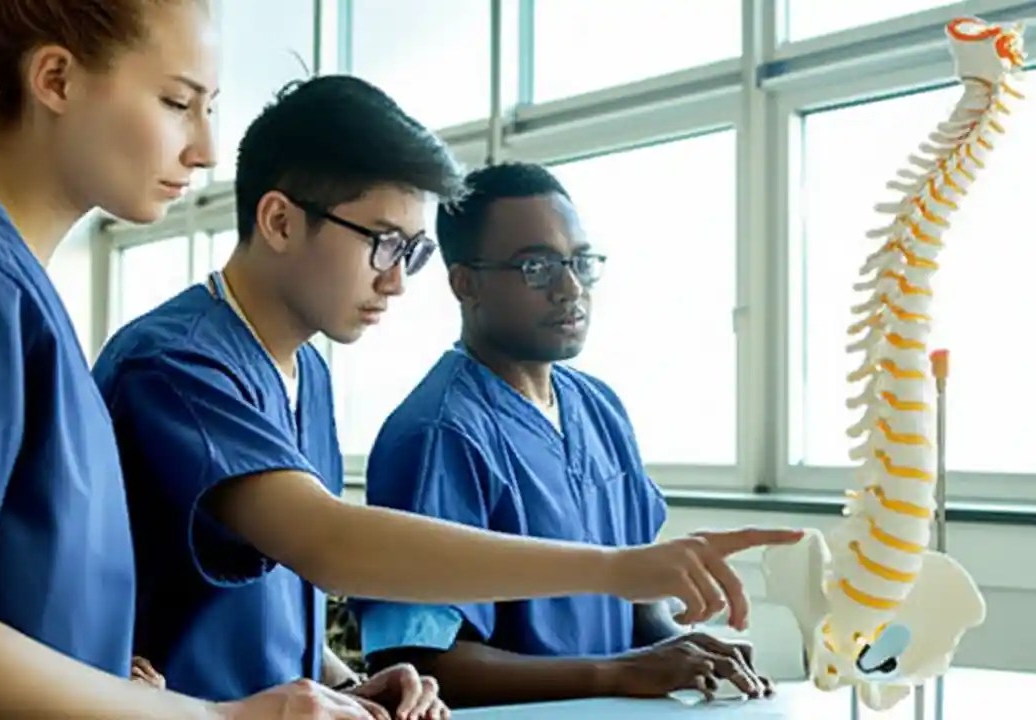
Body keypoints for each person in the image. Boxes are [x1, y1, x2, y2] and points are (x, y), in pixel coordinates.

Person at [90, 72, 802, 714]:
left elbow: (262, 607)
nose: (398, 280)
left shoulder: (308, 370)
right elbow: (326, 543)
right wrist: (617, 572)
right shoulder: (177, 365)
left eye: (413, 251)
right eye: (383, 243)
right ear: (278, 220)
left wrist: (344, 683)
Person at [0, 1, 427, 718]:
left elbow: (32, 606)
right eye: (177, 102)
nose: (207, 150)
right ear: (57, 80)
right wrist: (217, 717)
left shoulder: (17, 288)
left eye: (210, 107)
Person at [351, 162, 783, 708]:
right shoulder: (438, 435)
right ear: (466, 283)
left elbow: (634, 596)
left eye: (579, 262)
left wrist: (682, 646)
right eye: (535, 267)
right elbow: (416, 665)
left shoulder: (598, 408)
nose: (569, 288)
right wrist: (614, 674)